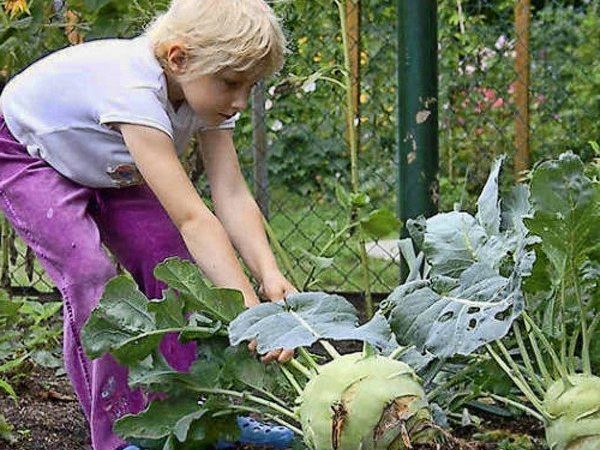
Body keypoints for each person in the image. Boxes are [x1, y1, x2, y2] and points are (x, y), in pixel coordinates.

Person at [0, 0, 297, 449]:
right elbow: (195, 217)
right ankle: (118, 435)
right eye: (232, 84)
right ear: (178, 58)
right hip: (30, 151)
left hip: (105, 159)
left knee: (173, 266)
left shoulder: (205, 91)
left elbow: (232, 195)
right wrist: (251, 314)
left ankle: (203, 417)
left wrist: (269, 275)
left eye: (250, 86)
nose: (239, 101)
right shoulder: (133, 90)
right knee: (91, 276)